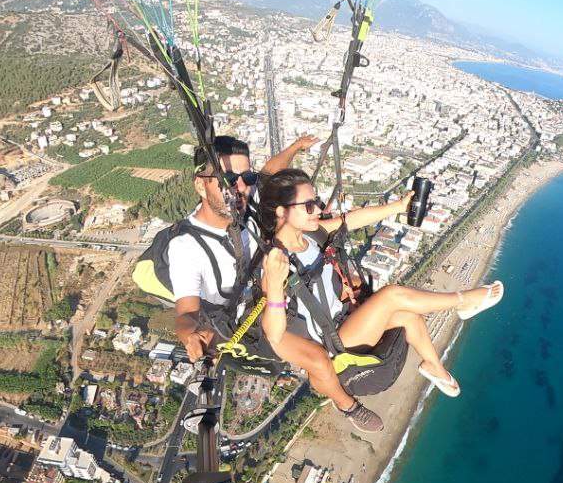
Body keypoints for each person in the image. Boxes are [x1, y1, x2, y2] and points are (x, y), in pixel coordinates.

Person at [170, 139, 385, 433]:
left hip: (283, 292)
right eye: (229, 180)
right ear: (200, 185)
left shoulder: (245, 206)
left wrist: (296, 146)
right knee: (317, 359)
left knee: (357, 285)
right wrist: (189, 335)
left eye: (245, 178)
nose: (241, 187)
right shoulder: (187, 246)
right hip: (252, 320)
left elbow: (269, 171)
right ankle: (347, 405)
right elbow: (186, 312)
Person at [257, 168, 504, 402]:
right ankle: (464, 301)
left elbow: (351, 220)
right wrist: (276, 289)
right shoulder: (276, 261)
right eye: (309, 205)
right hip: (332, 343)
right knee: (392, 295)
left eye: (317, 202)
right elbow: (275, 332)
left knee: (410, 317)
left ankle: (434, 367)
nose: (318, 210)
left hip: (344, 322)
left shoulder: (310, 235)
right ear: (281, 211)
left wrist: (397, 207)